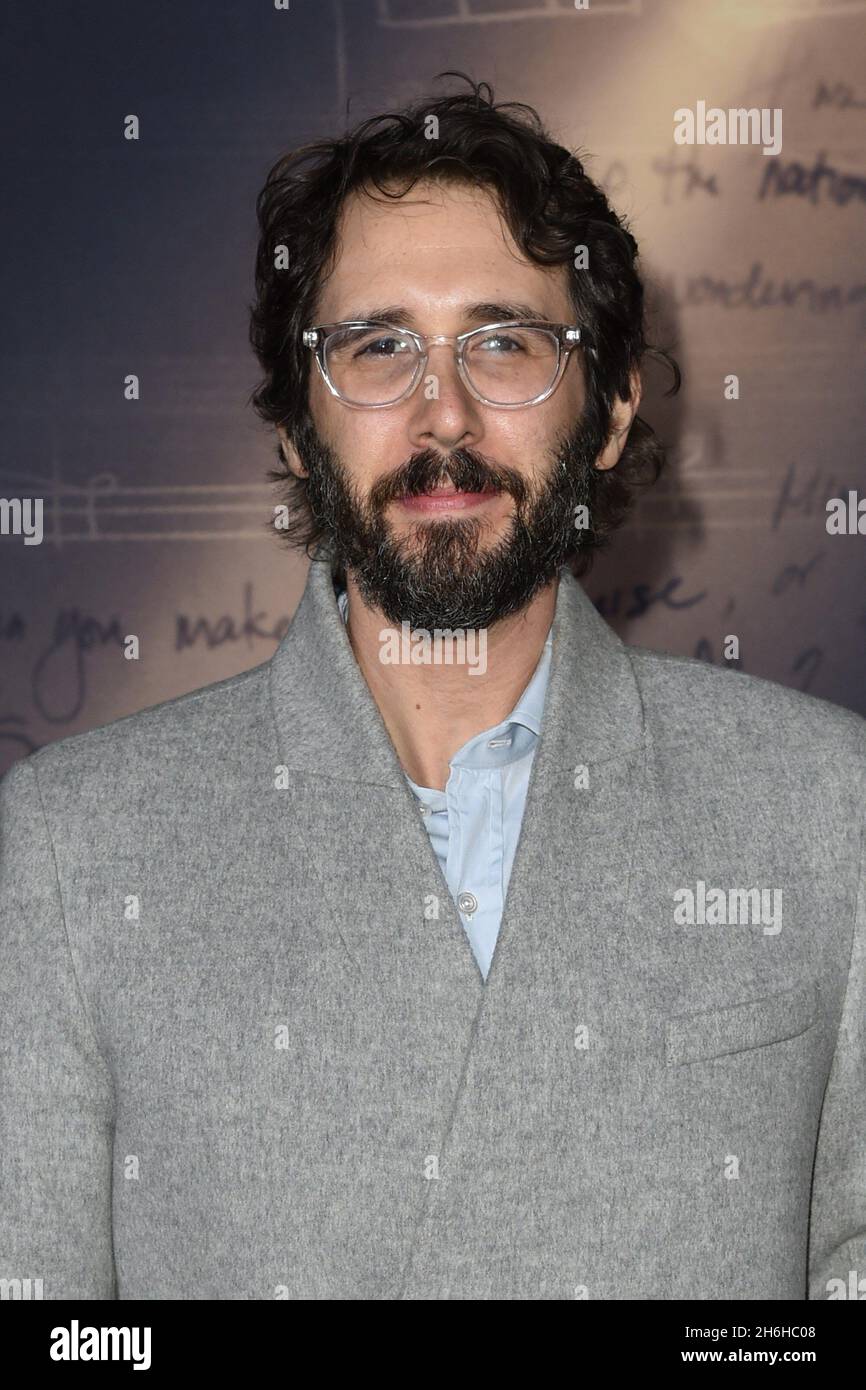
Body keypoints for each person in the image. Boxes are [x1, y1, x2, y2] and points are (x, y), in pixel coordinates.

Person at [1, 74, 863, 1301]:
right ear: (299, 427)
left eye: (504, 342)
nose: (441, 412)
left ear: (609, 409)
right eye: (377, 346)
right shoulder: (71, 852)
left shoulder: (828, 807)